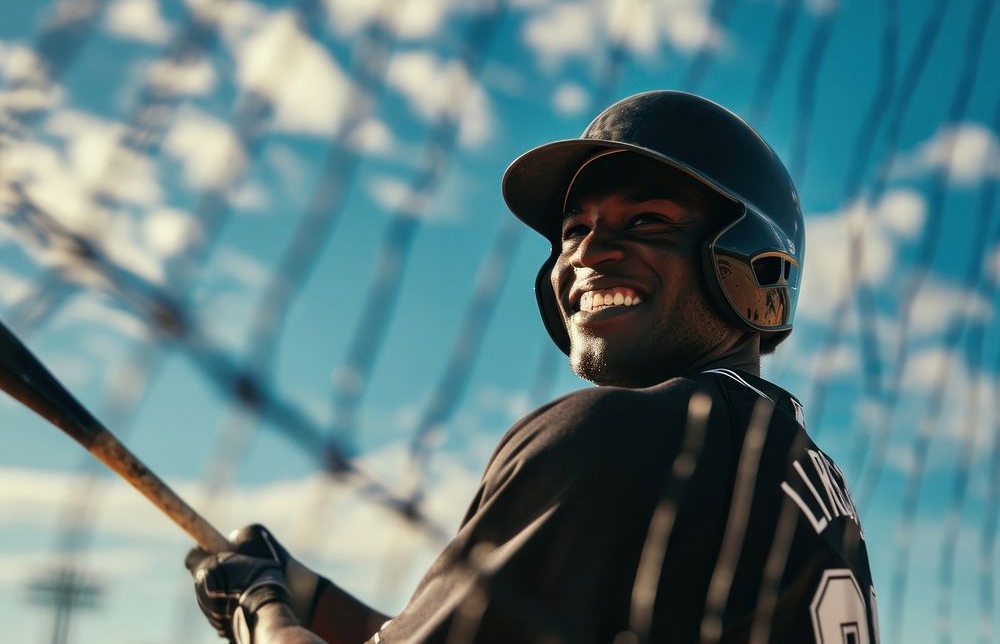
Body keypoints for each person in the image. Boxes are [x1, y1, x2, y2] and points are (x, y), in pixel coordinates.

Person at [186, 91, 879, 643]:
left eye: (646, 221)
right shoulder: (798, 475)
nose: (587, 252)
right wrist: (299, 587)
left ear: (752, 264)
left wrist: (261, 610)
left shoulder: (625, 437)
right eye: (575, 230)